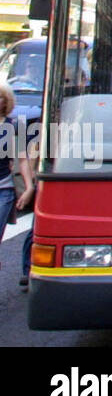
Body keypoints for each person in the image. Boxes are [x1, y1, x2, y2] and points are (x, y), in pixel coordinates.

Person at [0, 84, 35, 264]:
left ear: (6, 102)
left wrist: (29, 188)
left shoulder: (14, 126)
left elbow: (23, 160)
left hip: (4, 189)